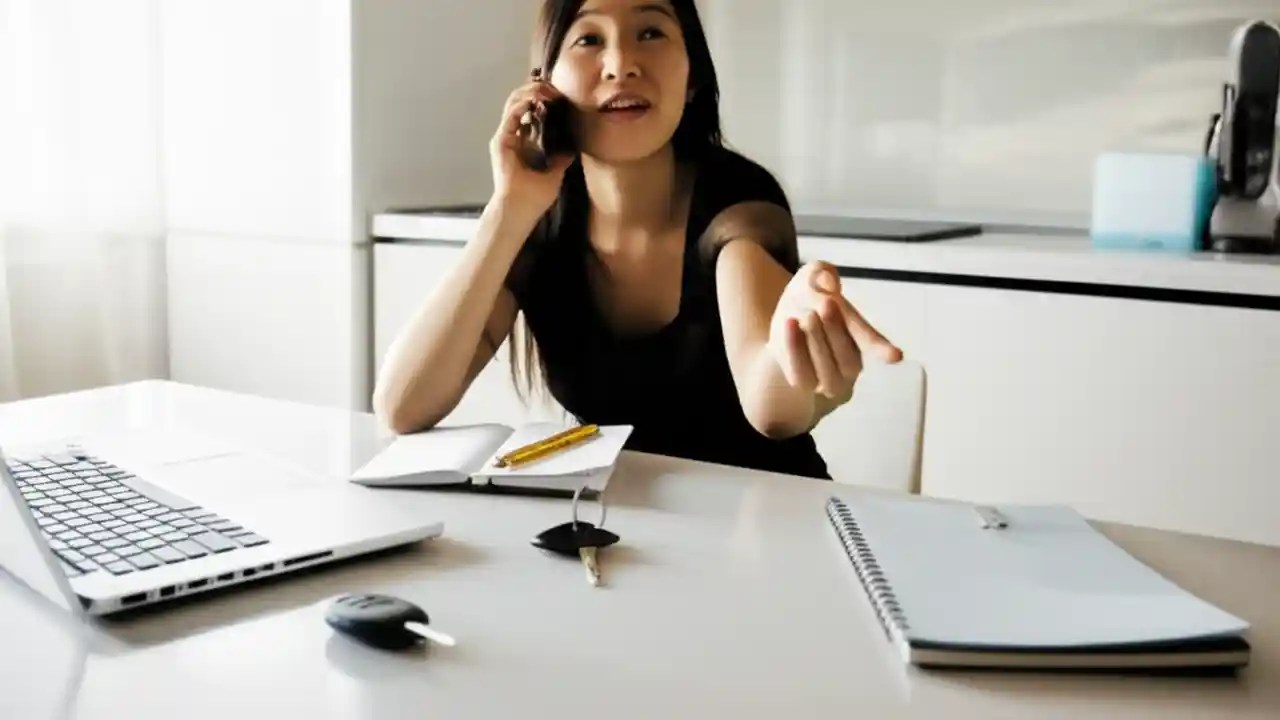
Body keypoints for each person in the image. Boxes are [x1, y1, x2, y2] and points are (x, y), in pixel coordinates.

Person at [373, 0, 902, 480]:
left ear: (692, 77)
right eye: (589, 39)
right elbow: (402, 406)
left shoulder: (737, 202)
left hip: (765, 523)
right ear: (544, 88)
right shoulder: (540, 224)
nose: (621, 63)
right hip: (618, 527)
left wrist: (800, 348)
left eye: (651, 32)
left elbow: (772, 410)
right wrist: (507, 209)